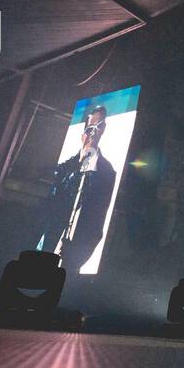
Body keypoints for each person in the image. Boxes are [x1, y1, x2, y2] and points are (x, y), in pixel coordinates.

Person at [41, 105, 118, 274]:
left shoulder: (107, 172)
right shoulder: (65, 167)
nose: (94, 133)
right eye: (90, 128)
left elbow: (97, 218)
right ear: (83, 133)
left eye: (99, 128)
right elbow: (51, 202)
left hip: (74, 256)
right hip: (47, 249)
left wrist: (79, 254)